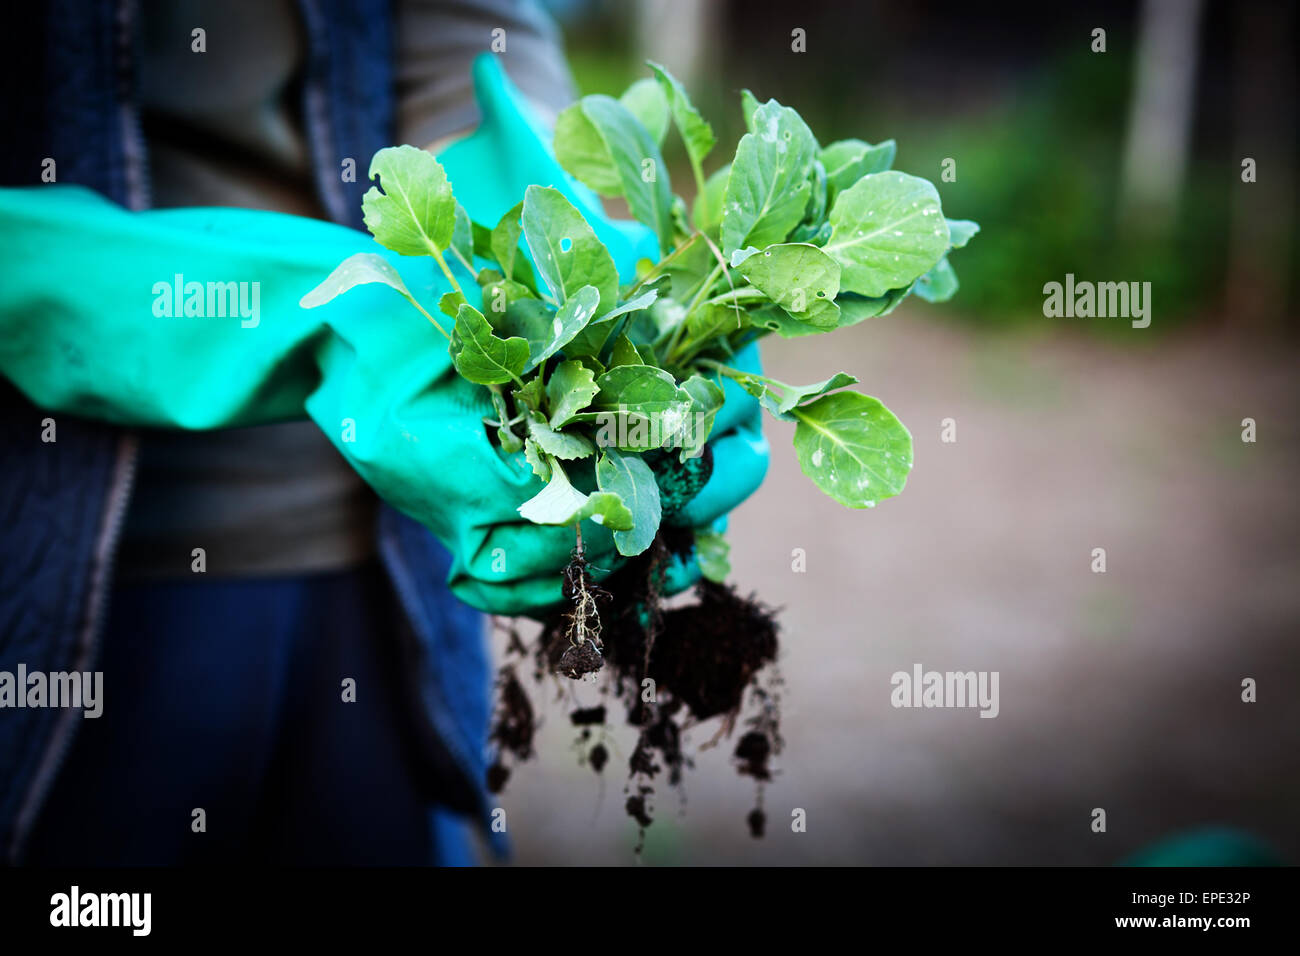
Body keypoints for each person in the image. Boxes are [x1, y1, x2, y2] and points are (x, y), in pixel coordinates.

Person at [0, 0, 768, 865]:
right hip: (71, 603)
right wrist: (306, 317)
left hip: (388, 569)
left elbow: (465, 46)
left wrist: (546, 247)